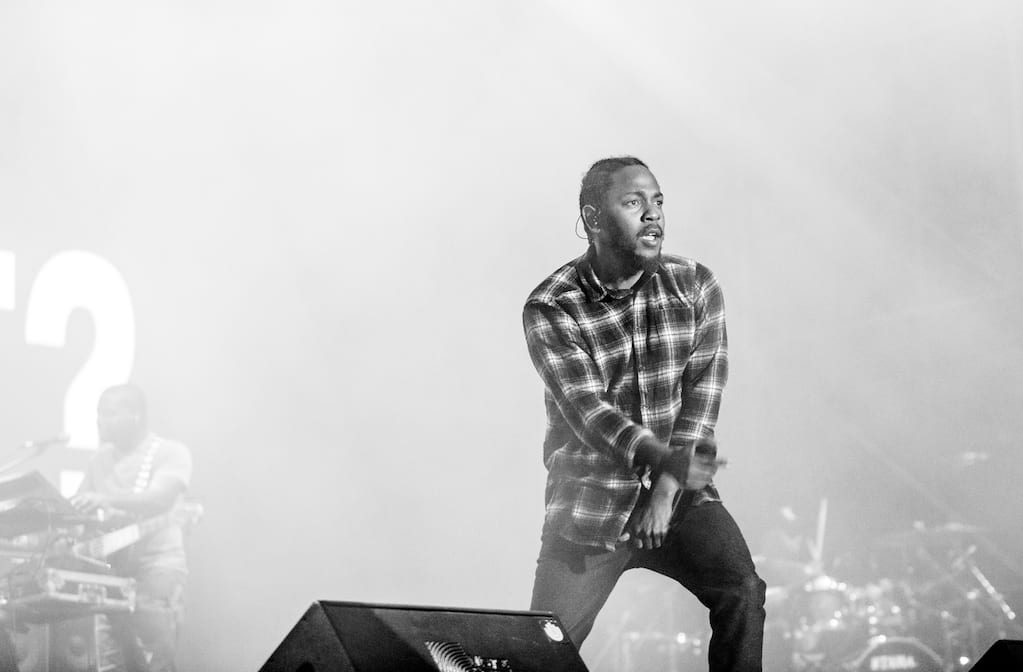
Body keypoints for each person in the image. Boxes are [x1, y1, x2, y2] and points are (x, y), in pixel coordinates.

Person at [523, 157, 766, 671]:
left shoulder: (695, 284)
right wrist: (663, 461)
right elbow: (591, 414)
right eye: (634, 203)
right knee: (539, 651)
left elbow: (703, 398)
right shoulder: (552, 305)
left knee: (742, 589)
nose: (652, 215)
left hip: (676, 497)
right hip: (591, 501)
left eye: (657, 202)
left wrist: (664, 490)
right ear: (593, 219)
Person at [71, 383, 193, 672]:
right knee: (111, 662)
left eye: (109, 413)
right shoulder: (98, 460)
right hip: (111, 575)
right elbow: (79, 512)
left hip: (156, 569)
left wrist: (105, 500)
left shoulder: (170, 452)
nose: (100, 421)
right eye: (99, 413)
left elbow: (160, 499)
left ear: (135, 415)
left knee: (154, 661)